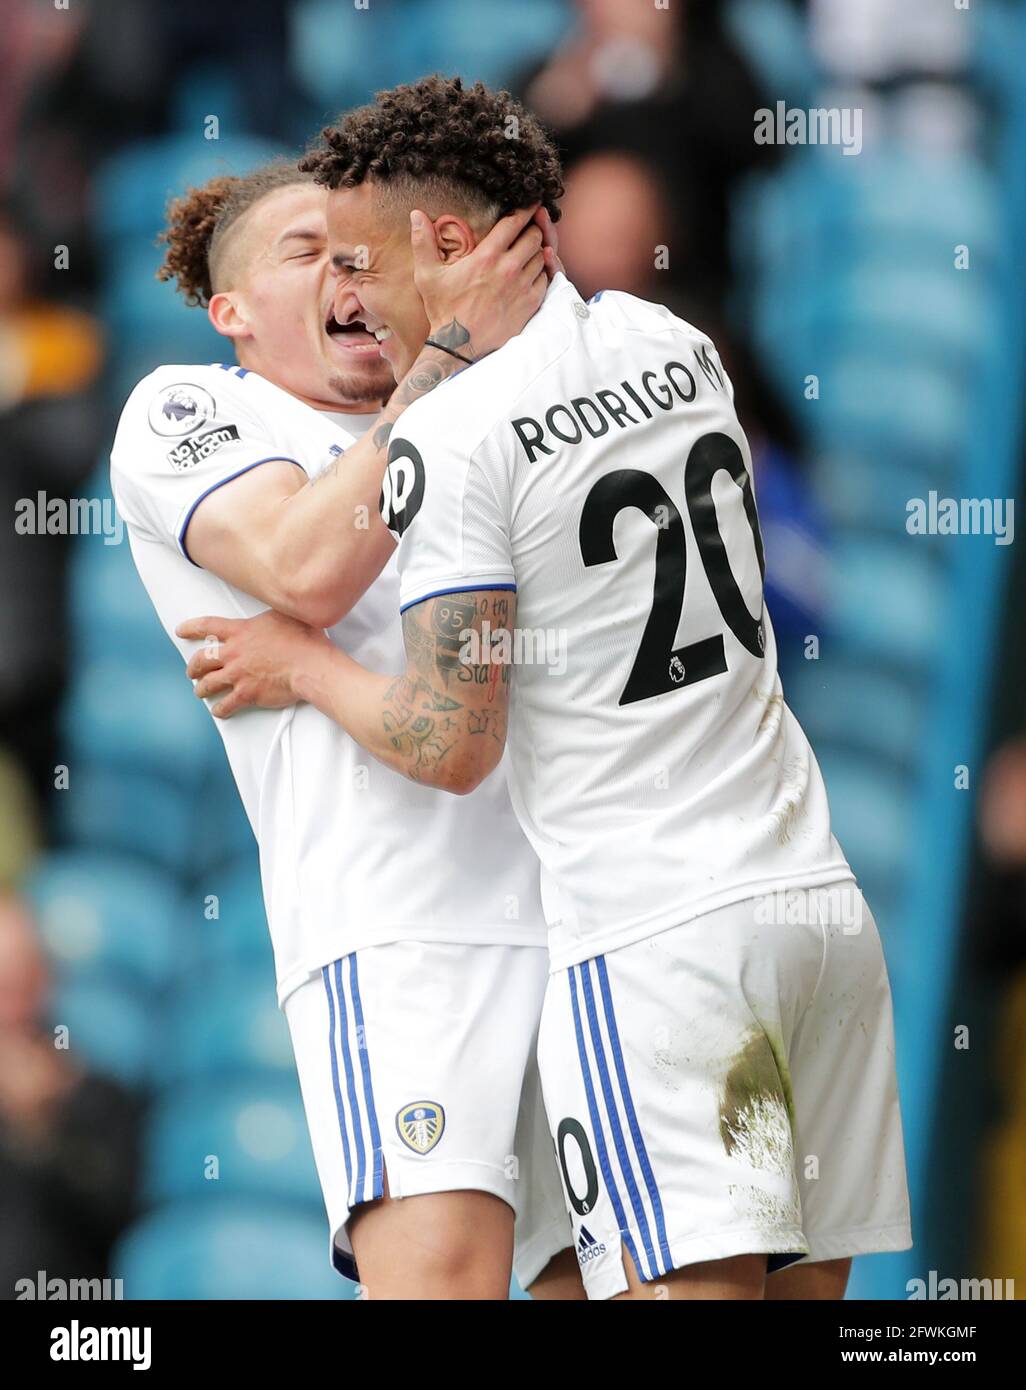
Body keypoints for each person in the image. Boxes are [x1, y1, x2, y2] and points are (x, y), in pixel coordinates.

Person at [183, 77, 913, 1301]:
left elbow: (449, 735)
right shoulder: (676, 343)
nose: (349, 297)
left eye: (362, 261)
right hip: (818, 910)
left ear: (453, 247)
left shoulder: (457, 433)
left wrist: (303, 664)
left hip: (660, 946)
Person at [110, 158, 579, 1300]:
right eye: (308, 251)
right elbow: (302, 566)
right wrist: (448, 361)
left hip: (581, 906)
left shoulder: (474, 412)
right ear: (231, 312)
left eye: (365, 248)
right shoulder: (192, 409)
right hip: (404, 931)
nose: (348, 268)